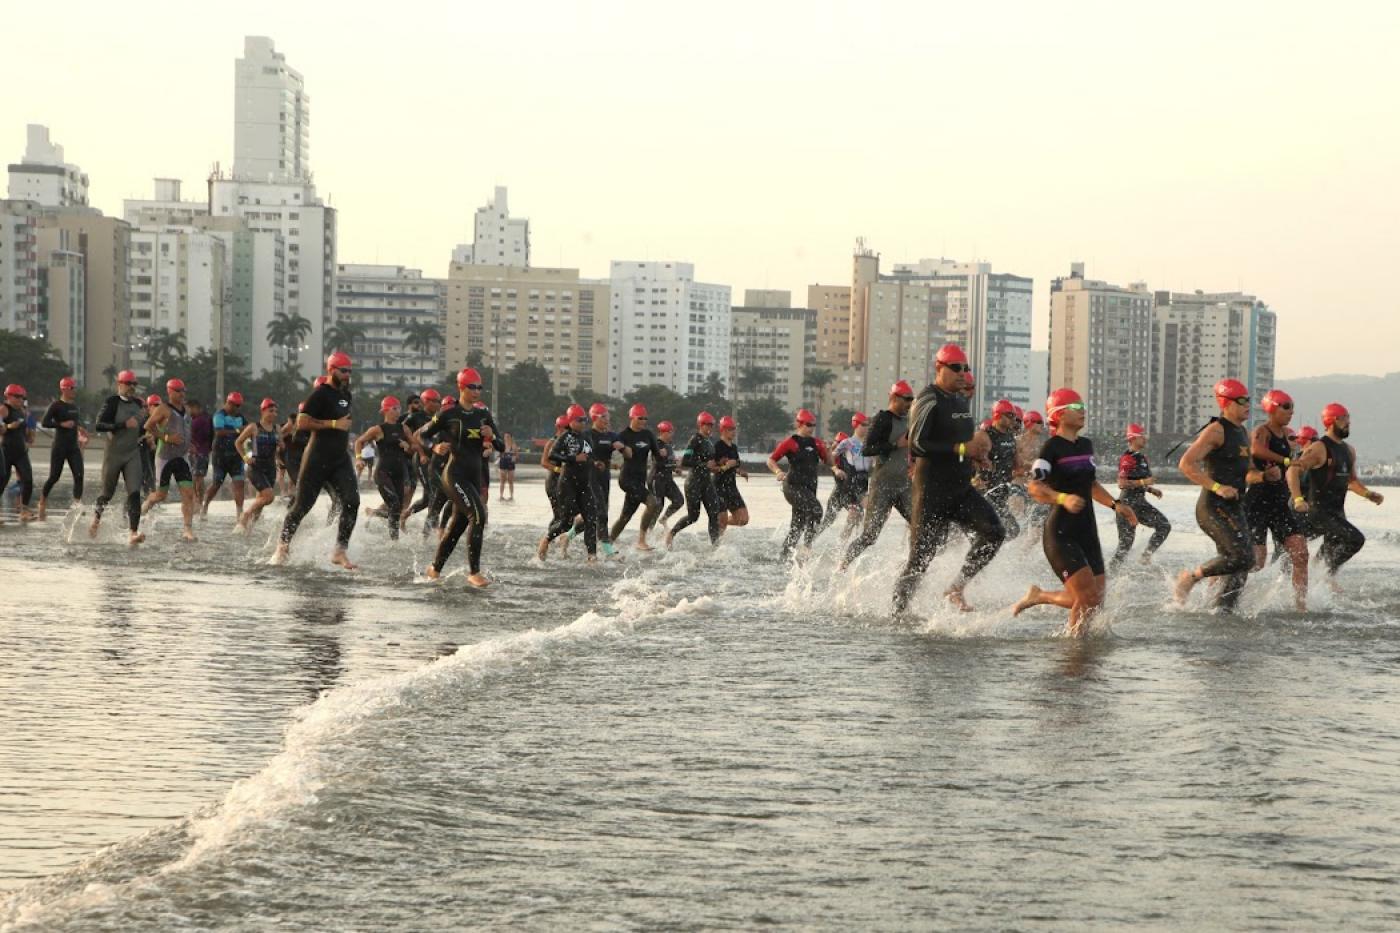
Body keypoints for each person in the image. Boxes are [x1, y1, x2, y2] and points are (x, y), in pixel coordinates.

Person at [1012, 388, 1138, 634]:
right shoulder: (1051, 448)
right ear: (1058, 415)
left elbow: (1090, 485)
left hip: (1087, 530)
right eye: (1077, 408)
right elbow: (1034, 487)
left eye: (1083, 407)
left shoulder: (1085, 445)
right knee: (1085, 596)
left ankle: (1040, 597)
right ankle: (1074, 651)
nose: (1083, 412)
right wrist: (1061, 498)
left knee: (1095, 600)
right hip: (1061, 532)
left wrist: (1116, 505)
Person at [892, 344, 1004, 615]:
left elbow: (962, 442)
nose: (962, 374)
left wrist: (976, 457)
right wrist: (962, 449)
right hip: (931, 494)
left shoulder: (960, 402)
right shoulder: (927, 399)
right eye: (956, 368)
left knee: (994, 533)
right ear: (939, 368)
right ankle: (897, 615)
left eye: (965, 368)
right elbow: (917, 444)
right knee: (919, 561)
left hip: (961, 490)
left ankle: (956, 587)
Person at [1173, 379, 1262, 610]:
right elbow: (1186, 464)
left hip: (1235, 507)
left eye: (1248, 400)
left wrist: (1264, 475)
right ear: (1226, 403)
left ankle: (1222, 612)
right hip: (1212, 507)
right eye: (1241, 401)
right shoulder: (1216, 430)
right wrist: (1217, 487)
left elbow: (1248, 473)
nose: (1247, 405)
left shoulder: (1243, 432)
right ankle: (1190, 578)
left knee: (1240, 568)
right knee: (1243, 557)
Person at [274, 352, 360, 570]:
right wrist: (333, 424)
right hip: (317, 458)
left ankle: (340, 550)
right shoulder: (320, 394)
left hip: (340, 459)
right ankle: (282, 545)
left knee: (352, 501)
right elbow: (302, 422)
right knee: (302, 506)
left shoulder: (346, 395)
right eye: (343, 370)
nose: (347, 374)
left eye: (350, 371)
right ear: (331, 370)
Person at [1287, 403, 1383, 586]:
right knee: (1356, 540)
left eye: (1348, 418)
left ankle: (1321, 581)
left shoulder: (1349, 450)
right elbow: (1292, 471)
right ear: (1332, 421)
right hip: (1318, 512)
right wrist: (1298, 499)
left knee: (1331, 555)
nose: (1348, 423)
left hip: (1337, 513)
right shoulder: (1319, 448)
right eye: (1344, 419)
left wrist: (1368, 494)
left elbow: (1352, 481)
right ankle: (1320, 576)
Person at [419, 368, 496, 586]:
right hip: (454, 474)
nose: (477, 391)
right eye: (472, 387)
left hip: (474, 476)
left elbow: (499, 443)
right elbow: (421, 435)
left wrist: (491, 436)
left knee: (457, 527)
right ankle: (474, 572)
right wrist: (434, 447)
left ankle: (434, 569)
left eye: (480, 387)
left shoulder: (483, 415)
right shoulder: (448, 414)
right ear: (461, 387)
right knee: (479, 515)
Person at [1243, 390, 1310, 608]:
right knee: (1256, 562)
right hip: (1257, 503)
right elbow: (1256, 450)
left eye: (1292, 407)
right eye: (1286, 407)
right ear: (1272, 408)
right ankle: (1225, 585)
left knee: (1301, 554)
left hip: (1280, 503)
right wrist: (1286, 461)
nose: (1291, 412)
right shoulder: (1262, 431)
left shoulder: (1286, 435)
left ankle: (1301, 605)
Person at [841, 381, 915, 570]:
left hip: (904, 484)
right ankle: (842, 565)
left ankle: (911, 566)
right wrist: (894, 445)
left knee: (921, 525)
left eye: (911, 400)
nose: (909, 404)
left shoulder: (908, 420)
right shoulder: (882, 419)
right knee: (870, 536)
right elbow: (866, 449)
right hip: (883, 486)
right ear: (894, 398)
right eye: (906, 400)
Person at [89, 370, 148, 545]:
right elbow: (99, 425)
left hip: (132, 454)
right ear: (119, 384)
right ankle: (95, 521)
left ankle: (133, 533)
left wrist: (148, 431)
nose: (131, 388)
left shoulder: (139, 404)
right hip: (113, 454)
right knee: (107, 493)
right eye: (128, 384)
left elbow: (142, 427)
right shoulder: (111, 402)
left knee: (135, 492)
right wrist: (123, 424)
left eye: (134, 385)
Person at [767, 409, 831, 560]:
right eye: (808, 425)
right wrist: (778, 472)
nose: (811, 428)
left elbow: (828, 462)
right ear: (799, 424)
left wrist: (828, 451)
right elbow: (771, 460)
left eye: (813, 425)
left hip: (809, 488)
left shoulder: (817, 443)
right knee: (816, 511)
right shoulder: (790, 442)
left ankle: (783, 557)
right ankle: (807, 547)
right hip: (792, 486)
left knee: (797, 526)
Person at [140, 378, 198, 541]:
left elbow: (186, 429)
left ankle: (187, 529)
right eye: (178, 391)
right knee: (161, 495)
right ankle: (146, 504)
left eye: (183, 391)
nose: (182, 394)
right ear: (170, 392)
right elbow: (148, 427)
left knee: (188, 493)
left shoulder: (186, 410)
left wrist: (190, 443)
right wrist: (166, 437)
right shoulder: (163, 409)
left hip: (182, 457)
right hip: (165, 457)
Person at [538, 404, 597, 561]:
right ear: (570, 421)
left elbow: (590, 455)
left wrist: (595, 463)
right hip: (567, 484)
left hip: (584, 484)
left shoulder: (587, 436)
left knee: (591, 518)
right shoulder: (564, 438)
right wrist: (573, 459)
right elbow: (552, 456)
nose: (583, 423)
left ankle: (592, 556)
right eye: (579, 420)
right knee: (565, 522)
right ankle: (547, 539)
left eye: (584, 420)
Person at [1110, 423, 1171, 567]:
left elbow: (1137, 481)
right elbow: (1122, 483)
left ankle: (1146, 556)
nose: (1145, 439)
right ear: (1132, 439)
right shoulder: (1128, 458)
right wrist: (1144, 481)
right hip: (1127, 505)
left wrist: (1150, 489)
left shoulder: (1142, 458)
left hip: (1140, 503)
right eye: (1141, 436)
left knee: (1164, 526)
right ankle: (1110, 575)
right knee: (1125, 546)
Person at [354, 396, 413, 541]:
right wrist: (358, 458)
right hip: (383, 473)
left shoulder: (404, 428)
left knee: (397, 508)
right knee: (394, 503)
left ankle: (374, 513)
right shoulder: (378, 429)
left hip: (399, 473)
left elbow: (414, 448)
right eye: (394, 408)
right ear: (386, 410)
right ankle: (394, 540)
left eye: (399, 408)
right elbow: (359, 441)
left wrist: (408, 447)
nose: (398, 411)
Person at [666, 411, 723, 548]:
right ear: (700, 425)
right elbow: (686, 461)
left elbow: (709, 462)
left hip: (706, 482)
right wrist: (704, 465)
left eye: (711, 425)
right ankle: (671, 533)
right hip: (693, 483)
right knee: (693, 517)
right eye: (706, 425)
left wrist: (718, 464)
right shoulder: (695, 439)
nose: (709, 428)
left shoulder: (709, 442)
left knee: (714, 513)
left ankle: (715, 546)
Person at [610, 404, 661, 546]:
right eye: (640, 418)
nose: (643, 421)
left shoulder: (648, 435)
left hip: (639, 481)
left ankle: (608, 542)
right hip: (627, 479)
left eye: (645, 418)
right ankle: (641, 540)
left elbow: (657, 455)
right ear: (632, 418)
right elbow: (613, 448)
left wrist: (664, 456)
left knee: (625, 517)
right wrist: (621, 452)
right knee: (652, 502)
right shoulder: (623, 435)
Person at [38, 376, 87, 520]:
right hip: (59, 446)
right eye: (71, 388)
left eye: (74, 388)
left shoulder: (74, 407)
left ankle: (77, 503)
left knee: (79, 475)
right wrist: (61, 424)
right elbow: (45, 422)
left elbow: (74, 423)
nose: (74, 391)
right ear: (64, 389)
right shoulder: (56, 405)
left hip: (73, 446)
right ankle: (42, 501)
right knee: (54, 476)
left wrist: (80, 429)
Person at [819, 415, 872, 539]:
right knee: (829, 521)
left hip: (859, 488)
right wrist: (836, 469)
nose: (867, 427)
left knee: (858, 517)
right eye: (864, 425)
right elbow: (829, 460)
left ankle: (849, 545)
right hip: (842, 492)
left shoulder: (863, 446)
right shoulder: (839, 459)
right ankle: (811, 542)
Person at [235, 398, 284, 533]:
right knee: (269, 497)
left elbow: (281, 447)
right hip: (256, 467)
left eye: (275, 411)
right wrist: (245, 458)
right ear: (263, 411)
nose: (274, 414)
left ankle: (249, 529)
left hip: (271, 468)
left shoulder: (277, 428)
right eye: (271, 411)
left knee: (261, 501)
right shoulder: (254, 427)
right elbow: (238, 442)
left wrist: (281, 448)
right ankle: (245, 515)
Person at [978, 399, 1024, 540]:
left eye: (1014, 416)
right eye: (1009, 415)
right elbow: (973, 458)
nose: (1013, 419)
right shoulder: (986, 435)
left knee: (1013, 530)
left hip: (1001, 492)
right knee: (997, 531)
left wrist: (1027, 471)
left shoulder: (1010, 436)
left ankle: (996, 556)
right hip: (987, 492)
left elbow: (1017, 464)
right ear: (998, 415)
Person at [586, 403, 625, 558]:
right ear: (595, 417)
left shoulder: (611, 436)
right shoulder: (588, 435)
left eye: (608, 416)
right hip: (590, 476)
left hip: (605, 476)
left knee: (599, 511)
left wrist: (622, 448)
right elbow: (583, 455)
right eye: (604, 417)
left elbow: (626, 451)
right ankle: (606, 545)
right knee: (600, 509)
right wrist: (594, 462)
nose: (607, 420)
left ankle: (568, 536)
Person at [638, 419, 684, 549]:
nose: (671, 435)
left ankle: (664, 519)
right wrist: (672, 463)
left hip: (668, 479)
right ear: (662, 432)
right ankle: (648, 532)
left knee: (679, 500)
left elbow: (669, 462)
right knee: (657, 505)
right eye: (669, 432)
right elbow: (658, 462)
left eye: (672, 432)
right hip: (656, 479)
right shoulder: (656, 444)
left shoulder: (669, 446)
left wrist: (676, 468)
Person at [203, 392, 248, 519]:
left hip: (236, 455)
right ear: (228, 403)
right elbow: (219, 432)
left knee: (239, 483)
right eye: (235, 405)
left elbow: (248, 428)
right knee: (217, 483)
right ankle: (205, 505)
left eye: (239, 406)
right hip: (220, 455)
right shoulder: (219, 415)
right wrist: (239, 430)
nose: (237, 408)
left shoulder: (240, 417)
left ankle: (240, 512)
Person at [1, 384, 37, 521]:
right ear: (8, 396)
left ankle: (24, 510)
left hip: (21, 451)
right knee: (2, 481)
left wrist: (30, 435)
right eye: (17, 397)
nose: (20, 399)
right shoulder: (4, 409)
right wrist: (9, 426)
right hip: (6, 451)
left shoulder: (23, 411)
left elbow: (25, 431)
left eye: (22, 397)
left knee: (28, 480)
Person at [713, 414, 750, 534]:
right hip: (718, 486)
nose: (733, 432)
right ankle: (716, 545)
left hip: (731, 486)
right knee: (722, 518)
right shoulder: (717, 447)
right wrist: (726, 465)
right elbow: (712, 467)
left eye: (734, 429)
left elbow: (736, 464)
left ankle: (720, 523)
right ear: (723, 430)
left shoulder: (734, 447)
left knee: (743, 519)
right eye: (730, 429)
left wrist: (740, 471)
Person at [188, 399, 212, 504]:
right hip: (201, 451)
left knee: (197, 478)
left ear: (195, 408)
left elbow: (191, 436)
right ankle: (197, 501)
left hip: (199, 452)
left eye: (189, 409)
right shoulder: (204, 419)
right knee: (197, 477)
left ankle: (198, 501)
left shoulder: (199, 420)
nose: (188, 411)